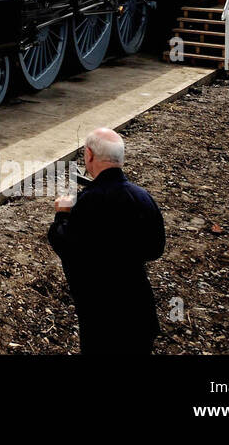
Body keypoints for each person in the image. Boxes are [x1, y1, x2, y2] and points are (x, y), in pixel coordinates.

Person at [47, 127, 166, 354]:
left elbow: (66, 246)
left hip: (101, 313)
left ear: (89, 155)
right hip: (139, 307)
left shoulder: (89, 201)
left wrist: (62, 214)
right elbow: (156, 249)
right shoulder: (142, 196)